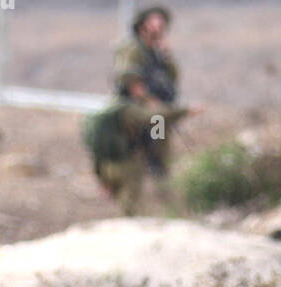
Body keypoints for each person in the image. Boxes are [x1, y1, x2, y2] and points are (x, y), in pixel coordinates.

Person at [84, 72, 197, 215]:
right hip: (127, 163)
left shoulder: (109, 108)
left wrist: (100, 176)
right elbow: (155, 119)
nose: (143, 89)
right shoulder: (128, 109)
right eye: (139, 86)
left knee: (124, 202)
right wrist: (185, 111)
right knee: (130, 207)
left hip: (106, 165)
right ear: (131, 88)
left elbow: (96, 148)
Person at [114, 6, 179, 176]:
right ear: (142, 25)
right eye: (154, 20)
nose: (159, 25)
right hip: (137, 108)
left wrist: (166, 56)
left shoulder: (156, 52)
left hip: (156, 112)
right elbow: (130, 81)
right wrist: (150, 101)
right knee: (138, 150)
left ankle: (158, 175)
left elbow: (172, 78)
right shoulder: (133, 49)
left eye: (161, 21)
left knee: (159, 146)